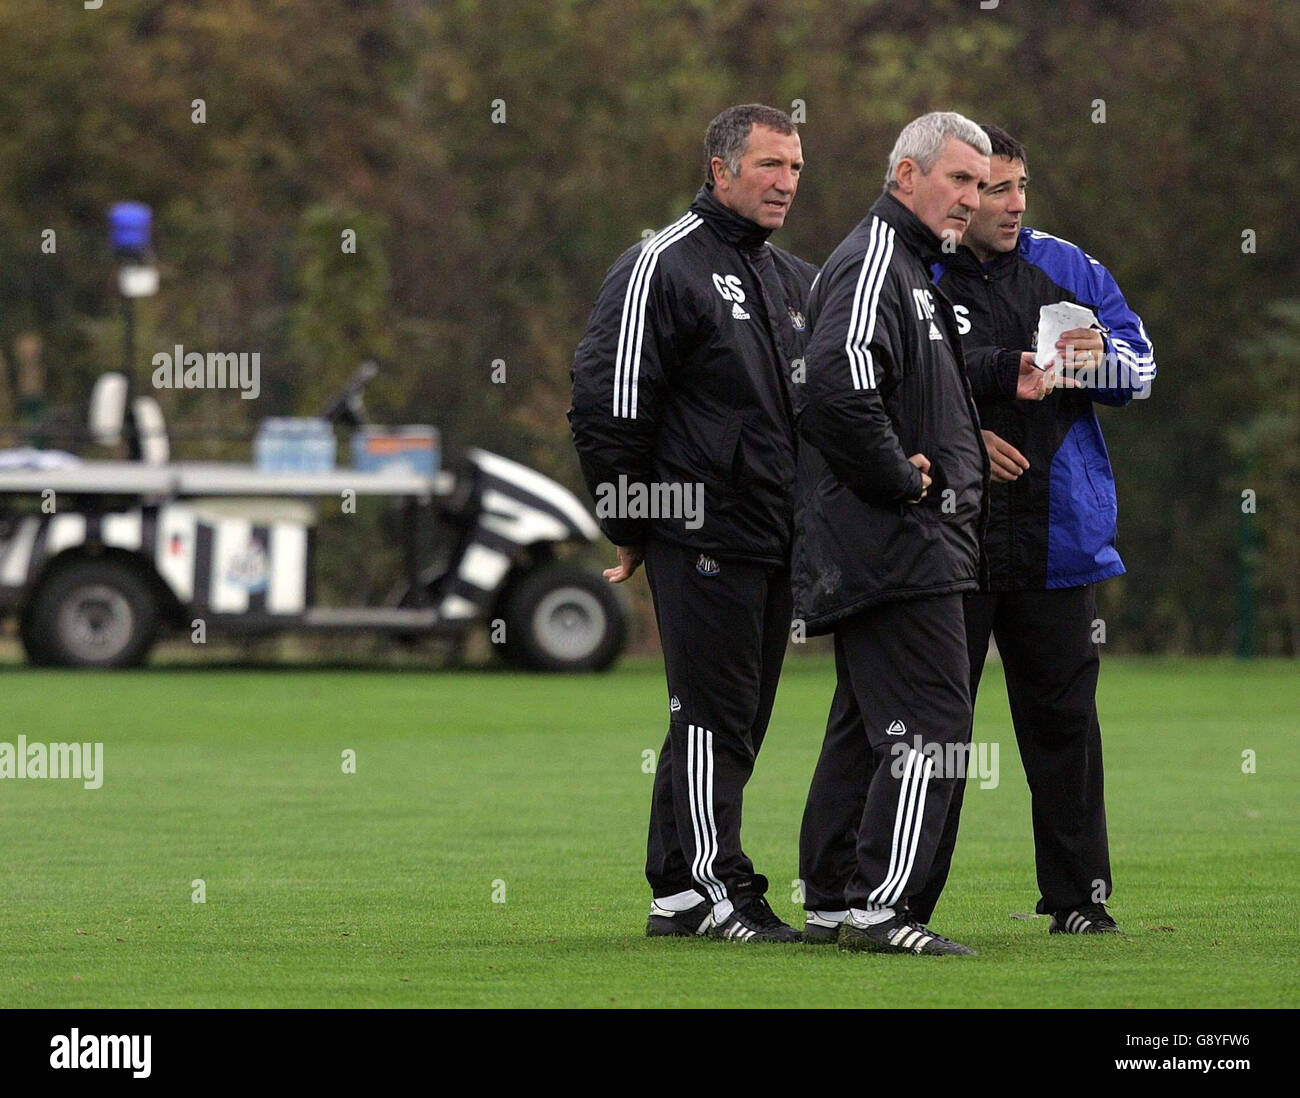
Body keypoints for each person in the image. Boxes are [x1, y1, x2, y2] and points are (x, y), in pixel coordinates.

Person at [569, 104, 817, 943]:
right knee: (714, 713)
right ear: (720, 170)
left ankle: (676, 892)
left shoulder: (790, 280)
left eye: (795, 168)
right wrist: (630, 519)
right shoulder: (659, 264)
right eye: (770, 166)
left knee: (730, 718)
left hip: (773, 534)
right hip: (698, 531)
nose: (786, 183)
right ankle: (725, 894)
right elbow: (607, 406)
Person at [922, 124, 1156, 933]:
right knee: (938, 731)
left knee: (1064, 727)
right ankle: (902, 903)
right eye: (994, 188)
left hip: (1060, 540)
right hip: (949, 536)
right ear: (959, 191)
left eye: (1021, 186)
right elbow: (881, 381)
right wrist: (956, 442)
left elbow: (1142, 366)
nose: (1015, 204)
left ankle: (1079, 902)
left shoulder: (1068, 264)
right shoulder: (920, 266)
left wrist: (1099, 362)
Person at [791, 111, 990, 955]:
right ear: (904, 175)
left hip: (896, 541)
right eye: (958, 180)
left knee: (865, 728)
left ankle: (836, 899)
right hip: (895, 540)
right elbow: (835, 385)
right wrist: (901, 479)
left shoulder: (913, 266)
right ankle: (885, 909)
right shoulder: (877, 258)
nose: (971, 200)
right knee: (935, 724)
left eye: (980, 186)